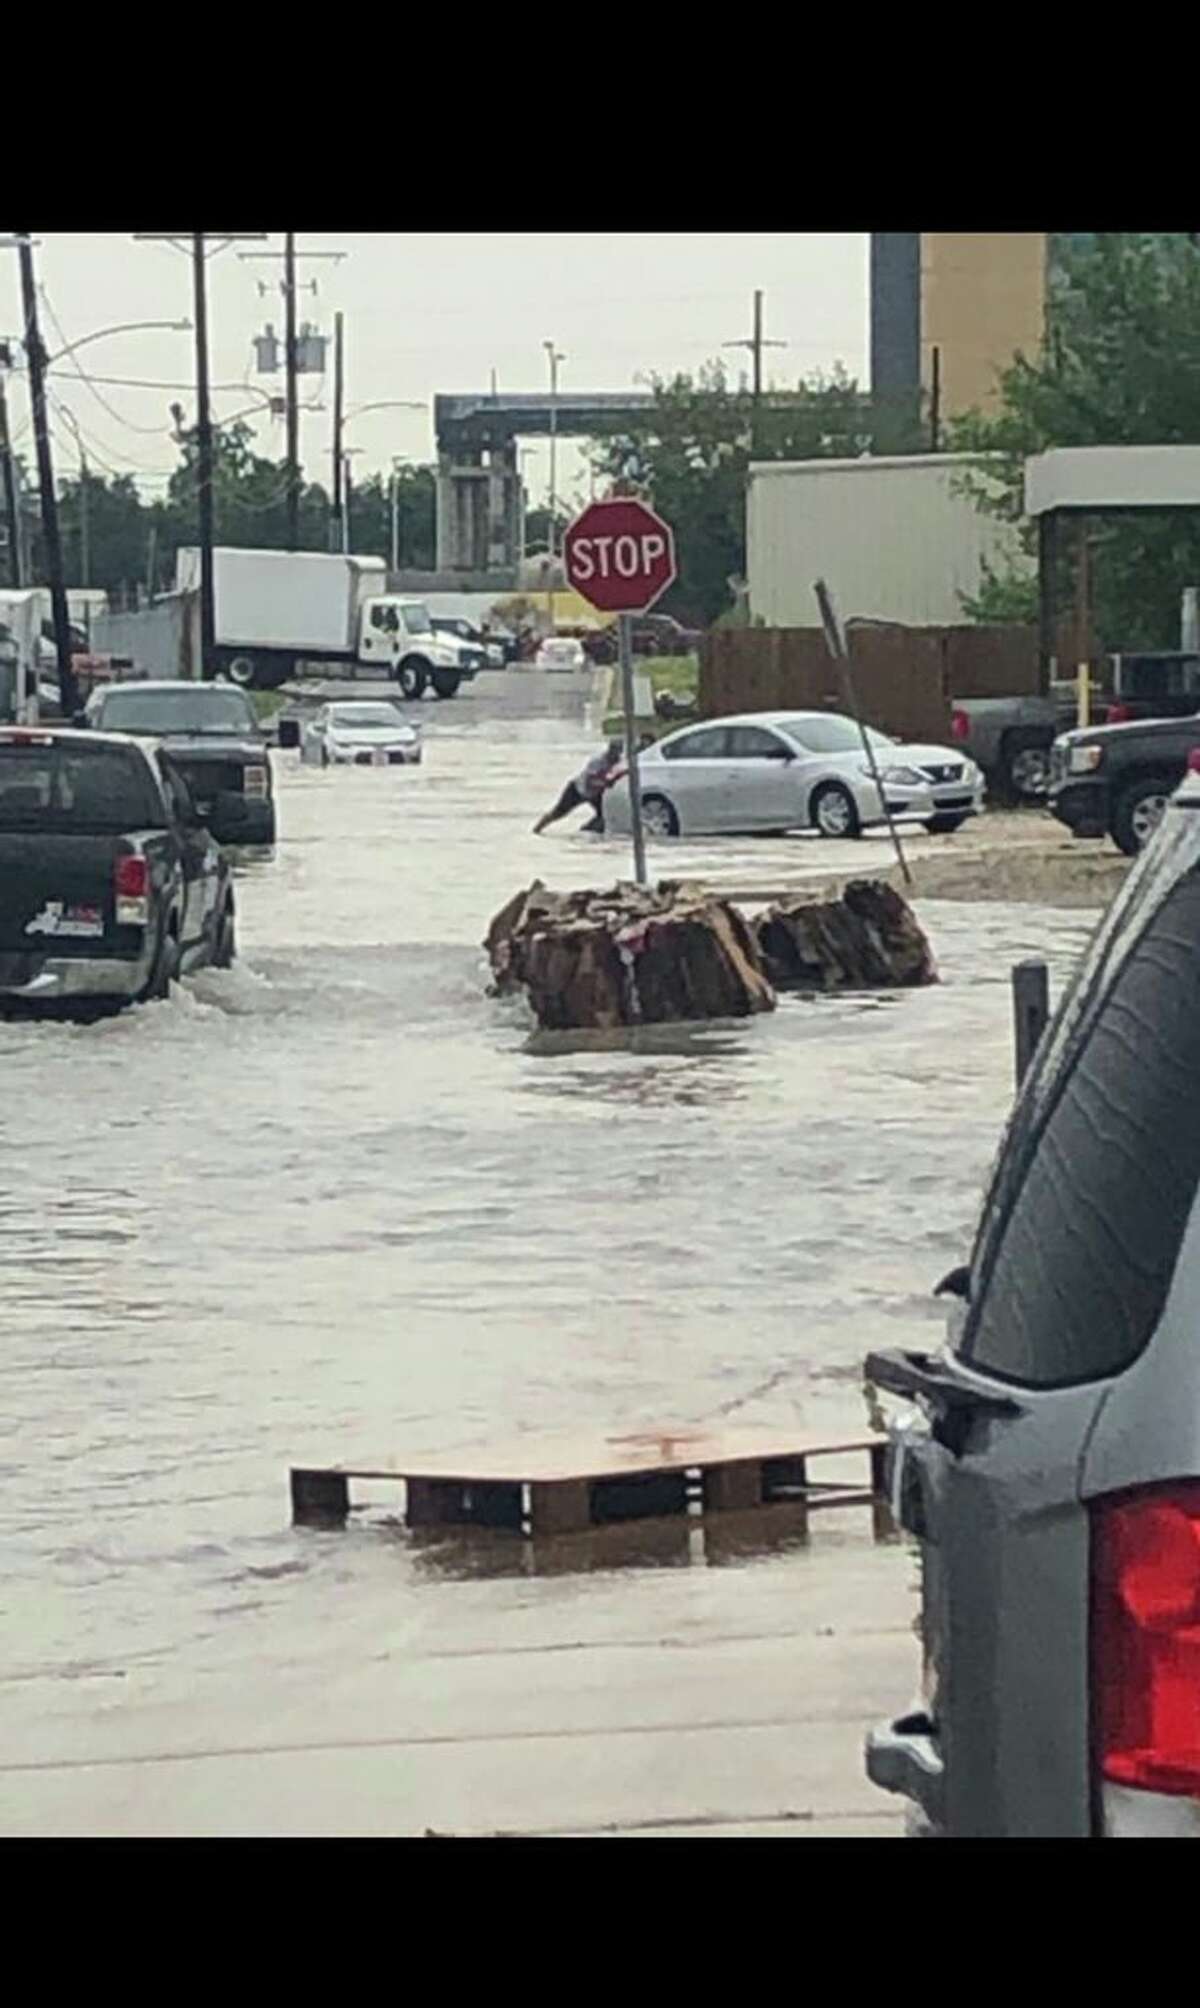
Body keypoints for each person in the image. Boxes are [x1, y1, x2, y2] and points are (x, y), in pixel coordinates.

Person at [534, 738, 624, 835]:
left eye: (618, 751)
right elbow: (590, 781)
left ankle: (587, 830)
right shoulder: (597, 761)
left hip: (596, 794)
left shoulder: (619, 763)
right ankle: (537, 829)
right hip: (578, 790)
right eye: (613, 750)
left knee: (606, 815)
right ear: (609, 749)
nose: (615, 754)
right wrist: (607, 783)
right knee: (558, 812)